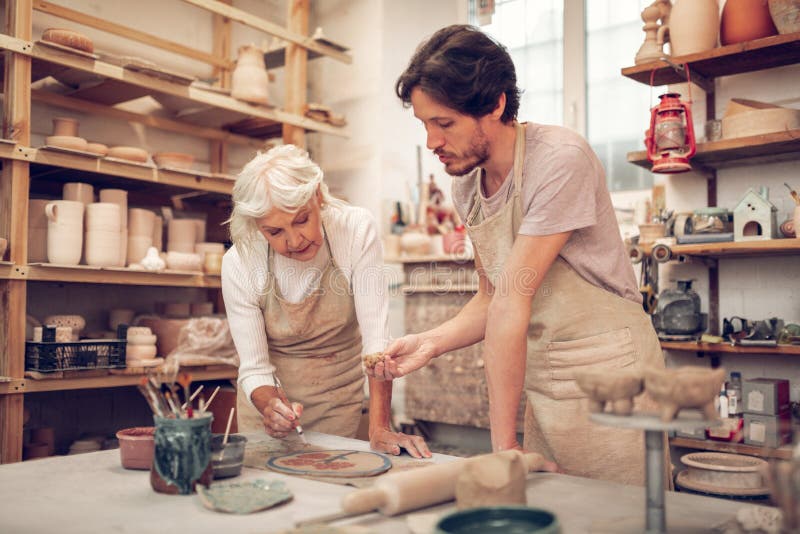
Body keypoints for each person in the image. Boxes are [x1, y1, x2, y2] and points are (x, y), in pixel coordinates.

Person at [368, 24, 665, 484]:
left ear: (495, 104)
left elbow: (511, 299)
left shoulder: (560, 159)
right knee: (551, 507)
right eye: (425, 124)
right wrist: (429, 343)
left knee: (619, 510)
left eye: (444, 124)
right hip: (547, 382)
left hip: (610, 378)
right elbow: (491, 298)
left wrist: (503, 447)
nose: (432, 142)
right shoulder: (467, 183)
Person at [222, 144, 430, 458]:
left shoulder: (354, 230)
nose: (294, 241)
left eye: (302, 220)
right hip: (266, 408)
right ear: (257, 226)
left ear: (317, 196)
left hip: (336, 400)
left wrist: (379, 428)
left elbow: (376, 345)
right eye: (275, 232)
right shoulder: (240, 262)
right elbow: (254, 369)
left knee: (328, 476)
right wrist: (271, 407)